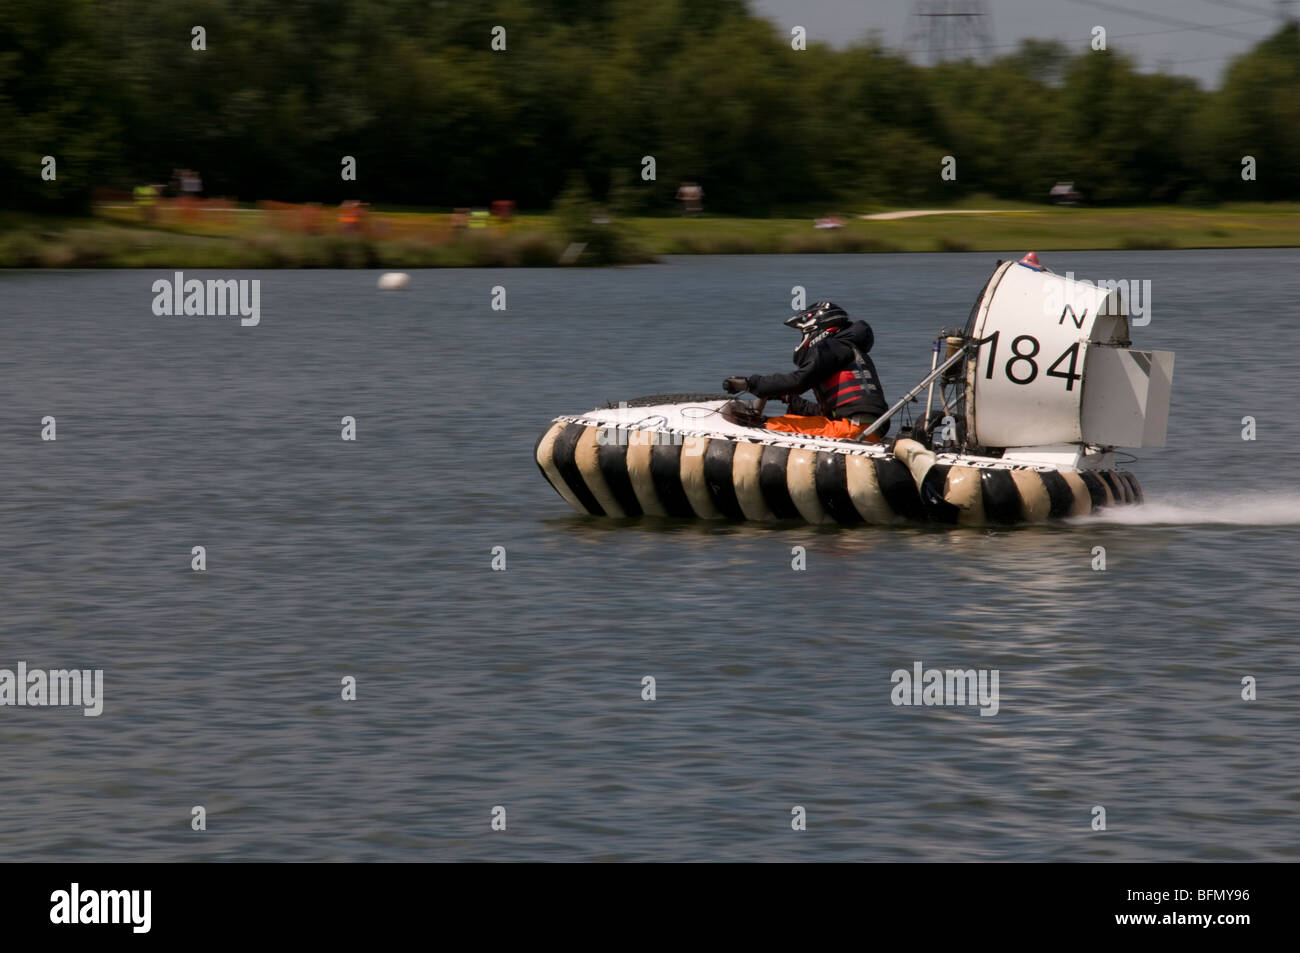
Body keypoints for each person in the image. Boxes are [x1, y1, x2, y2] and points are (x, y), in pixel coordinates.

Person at [723, 301, 890, 441]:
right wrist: (791, 400)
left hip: (854, 430)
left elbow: (798, 381)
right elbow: (835, 411)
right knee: (789, 419)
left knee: (767, 426)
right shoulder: (848, 351)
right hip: (865, 430)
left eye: (803, 333)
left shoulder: (833, 347)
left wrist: (749, 384)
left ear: (815, 330)